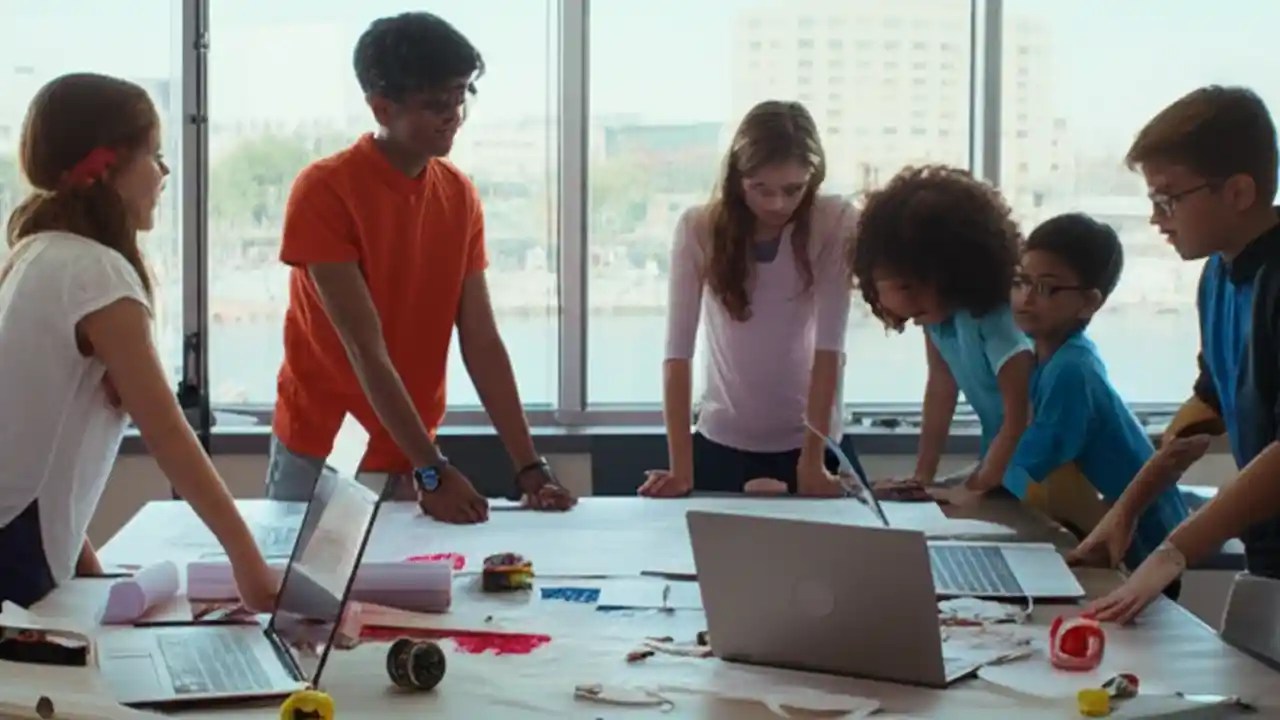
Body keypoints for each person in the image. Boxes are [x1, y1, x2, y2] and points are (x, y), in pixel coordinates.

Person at [268, 12, 575, 523]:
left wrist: (529, 465)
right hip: (329, 448)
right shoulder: (325, 191)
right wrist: (431, 469)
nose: (453, 114)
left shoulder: (458, 194)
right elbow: (365, 349)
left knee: (405, 600)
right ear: (381, 107)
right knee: (309, 599)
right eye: (435, 103)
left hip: (412, 450)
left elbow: (481, 339)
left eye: (461, 96)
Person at [0, 73, 277, 609]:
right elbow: (168, 433)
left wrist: (90, 577)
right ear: (106, 168)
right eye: (153, 154)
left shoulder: (35, 255)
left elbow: (39, 449)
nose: (164, 172)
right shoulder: (94, 272)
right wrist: (250, 563)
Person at [1082, 85, 1280, 623]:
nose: (1156, 218)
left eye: (1168, 199)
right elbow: (1206, 407)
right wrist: (1126, 510)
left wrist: (1174, 551)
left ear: (1239, 192)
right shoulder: (1218, 275)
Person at [639, 100, 861, 498]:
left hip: (814, 443)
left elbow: (830, 350)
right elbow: (677, 356)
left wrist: (811, 463)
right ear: (737, 178)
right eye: (761, 189)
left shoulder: (836, 220)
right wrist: (681, 468)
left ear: (814, 176)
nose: (777, 204)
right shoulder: (699, 227)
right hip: (722, 441)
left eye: (794, 189)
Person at [1003, 213, 1191, 594]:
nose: (1026, 297)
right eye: (1021, 281)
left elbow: (1038, 454)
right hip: (1112, 529)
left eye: (1047, 288)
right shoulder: (1045, 358)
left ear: (1089, 302)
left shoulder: (1072, 368)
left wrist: (975, 493)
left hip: (1141, 540)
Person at [849, 165, 1032, 504]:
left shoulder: (998, 321)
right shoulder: (936, 317)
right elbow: (941, 387)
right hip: (1004, 465)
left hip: (1047, 468)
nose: (904, 304)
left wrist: (972, 488)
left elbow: (1021, 420)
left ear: (953, 269)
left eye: (909, 285)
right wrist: (922, 477)